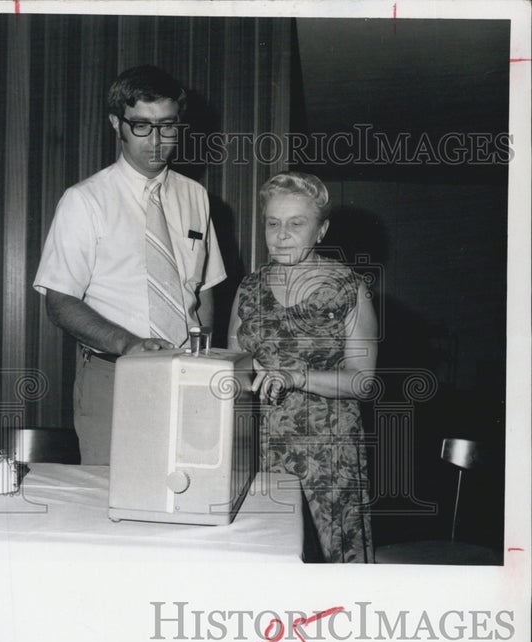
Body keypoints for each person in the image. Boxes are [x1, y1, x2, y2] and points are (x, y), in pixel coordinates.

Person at [34, 65, 226, 464]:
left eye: (167, 126)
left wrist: (201, 356)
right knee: (114, 488)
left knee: (190, 484)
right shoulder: (84, 201)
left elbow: (203, 289)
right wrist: (129, 345)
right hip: (115, 375)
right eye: (141, 126)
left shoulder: (196, 196)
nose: (156, 140)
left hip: (188, 376)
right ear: (116, 123)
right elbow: (59, 301)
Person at [228, 171, 377, 562]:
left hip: (327, 453)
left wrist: (296, 377)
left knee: (331, 563)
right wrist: (248, 369)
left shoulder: (348, 287)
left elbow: (363, 381)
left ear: (321, 230)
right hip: (256, 449)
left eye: (296, 224)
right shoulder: (248, 288)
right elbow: (231, 368)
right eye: (272, 224)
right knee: (262, 560)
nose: (281, 235)